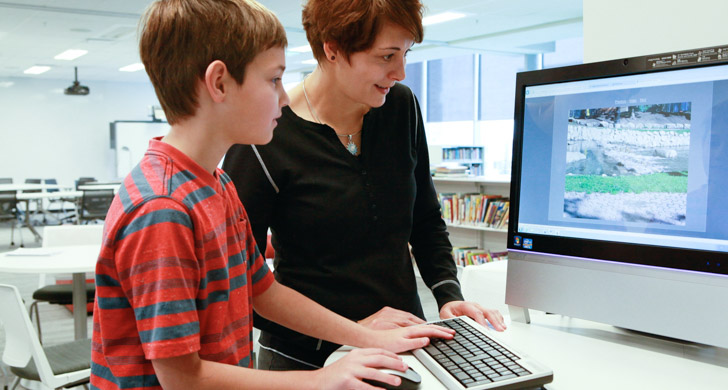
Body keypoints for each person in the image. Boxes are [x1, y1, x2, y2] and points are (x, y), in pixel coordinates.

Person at [90, 1, 454, 389]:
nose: (284, 98)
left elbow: (263, 291)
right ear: (219, 83)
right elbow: (183, 378)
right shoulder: (162, 209)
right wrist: (323, 379)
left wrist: (367, 337)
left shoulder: (216, 185)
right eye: (274, 80)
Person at [223, 0, 506, 371]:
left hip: (404, 346)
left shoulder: (400, 107)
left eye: (406, 53)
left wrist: (447, 295)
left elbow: (425, 218)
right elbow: (243, 284)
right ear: (333, 48)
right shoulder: (266, 134)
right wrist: (353, 332)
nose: (401, 72)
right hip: (307, 360)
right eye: (387, 56)